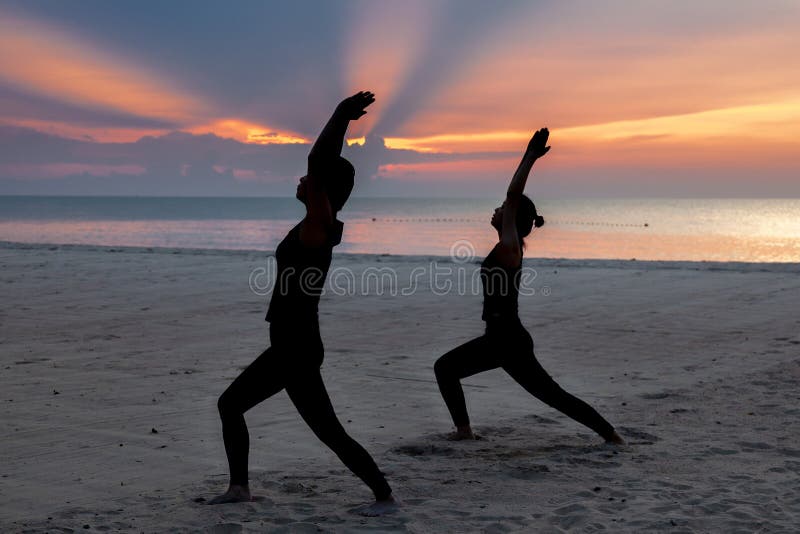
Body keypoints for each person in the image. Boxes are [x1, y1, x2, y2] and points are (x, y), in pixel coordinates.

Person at [210, 91, 397, 516]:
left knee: (310, 426)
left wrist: (340, 116)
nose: (300, 181)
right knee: (319, 428)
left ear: (321, 190)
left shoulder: (319, 225)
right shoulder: (316, 225)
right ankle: (381, 494)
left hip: (295, 346)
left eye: (307, 181)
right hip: (293, 343)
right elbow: (317, 169)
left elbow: (317, 163)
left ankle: (383, 496)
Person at [434, 128, 625, 445]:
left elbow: (512, 197)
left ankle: (611, 435)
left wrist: (529, 156)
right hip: (500, 338)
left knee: (552, 395)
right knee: (449, 370)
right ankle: (464, 431)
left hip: (507, 340)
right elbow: (510, 202)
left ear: (512, 218)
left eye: (502, 209)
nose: (496, 210)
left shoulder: (510, 246)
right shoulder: (506, 247)